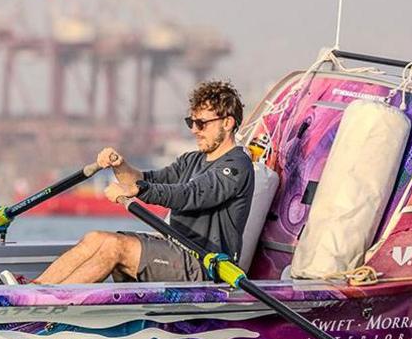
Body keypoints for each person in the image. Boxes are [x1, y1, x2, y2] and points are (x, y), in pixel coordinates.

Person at [35, 79, 254, 284]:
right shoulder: (191, 160)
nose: (194, 130)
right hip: (175, 250)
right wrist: (119, 165)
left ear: (227, 122)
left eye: (201, 123)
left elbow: (190, 195)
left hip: (205, 264)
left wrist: (138, 189)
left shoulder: (236, 165)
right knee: (95, 238)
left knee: (113, 247)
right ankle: (32, 292)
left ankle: (48, 308)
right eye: (191, 122)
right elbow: (147, 179)